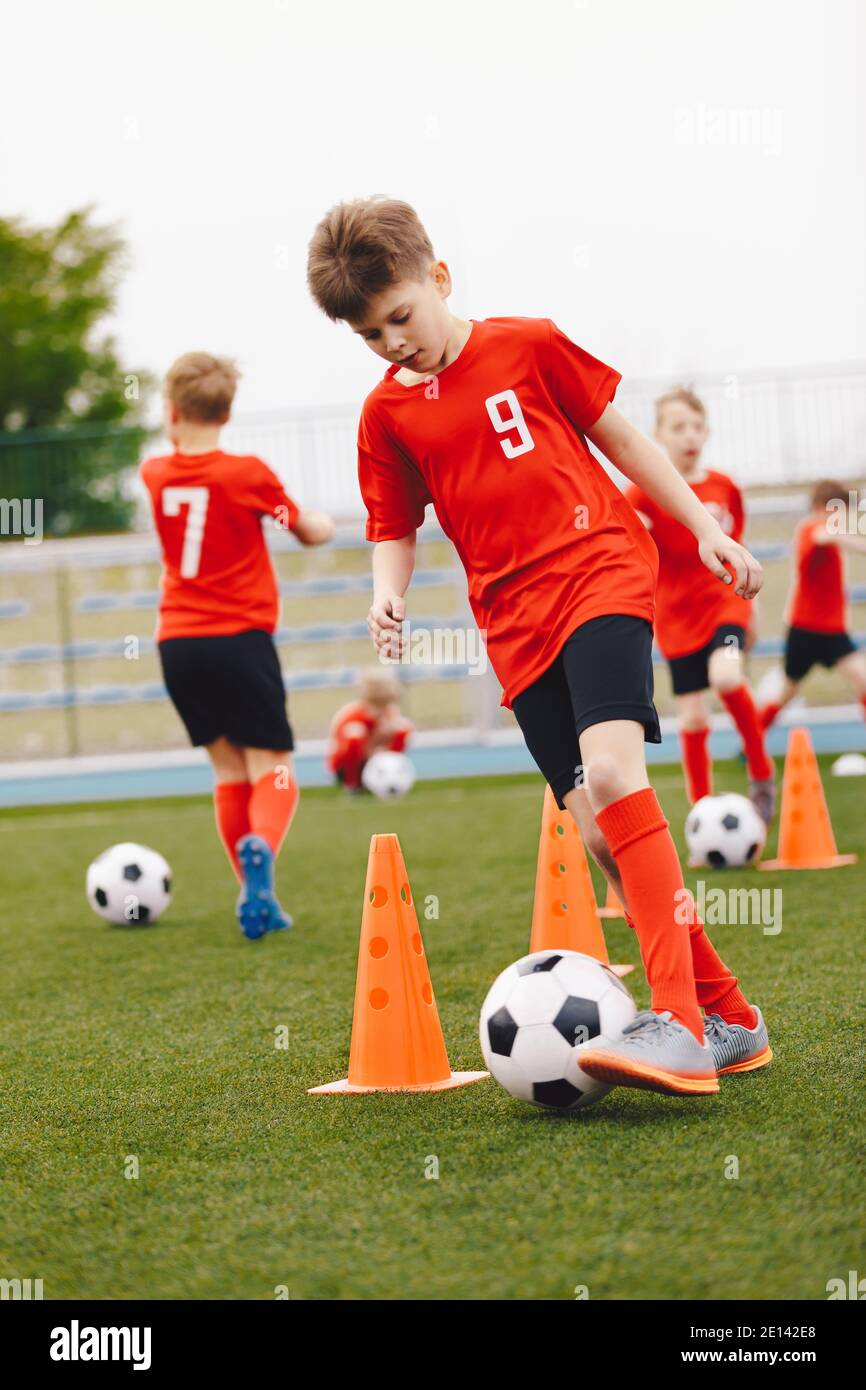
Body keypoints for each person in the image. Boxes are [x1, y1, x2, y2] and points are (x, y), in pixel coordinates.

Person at [306, 196, 772, 1095]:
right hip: (511, 622)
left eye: (400, 315)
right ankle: (730, 1016)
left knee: (611, 776)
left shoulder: (529, 343)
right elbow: (392, 525)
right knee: (598, 833)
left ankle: (675, 1021)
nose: (393, 340)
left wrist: (704, 530)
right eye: (370, 334)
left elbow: (622, 437)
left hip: (598, 568)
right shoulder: (385, 419)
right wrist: (386, 594)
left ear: (439, 280)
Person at [140, 351, 335, 939]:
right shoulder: (247, 473)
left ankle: (258, 895)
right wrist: (320, 523)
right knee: (272, 769)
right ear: (227, 411)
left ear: (172, 411)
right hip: (240, 638)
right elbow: (301, 528)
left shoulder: (154, 474)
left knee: (227, 769)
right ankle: (262, 862)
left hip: (178, 642)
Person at [625, 387, 775, 820]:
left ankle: (762, 776)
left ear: (706, 431)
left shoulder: (724, 487)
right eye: (678, 427)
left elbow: (737, 544)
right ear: (658, 434)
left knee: (727, 676)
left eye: (696, 426)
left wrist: (754, 609)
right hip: (675, 616)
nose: (689, 435)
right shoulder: (643, 493)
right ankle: (702, 810)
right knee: (691, 718)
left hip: (724, 604)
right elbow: (631, 541)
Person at [759, 478, 866, 729]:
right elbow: (822, 536)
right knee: (787, 692)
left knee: (862, 679)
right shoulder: (810, 529)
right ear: (821, 507)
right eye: (838, 509)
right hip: (805, 630)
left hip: (833, 631)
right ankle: (752, 743)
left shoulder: (832, 534)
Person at [327, 668, 414, 793]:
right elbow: (342, 749)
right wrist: (372, 749)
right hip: (349, 766)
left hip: (377, 757)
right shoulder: (351, 716)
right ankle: (353, 784)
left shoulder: (389, 714)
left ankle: (391, 776)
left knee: (402, 728)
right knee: (354, 735)